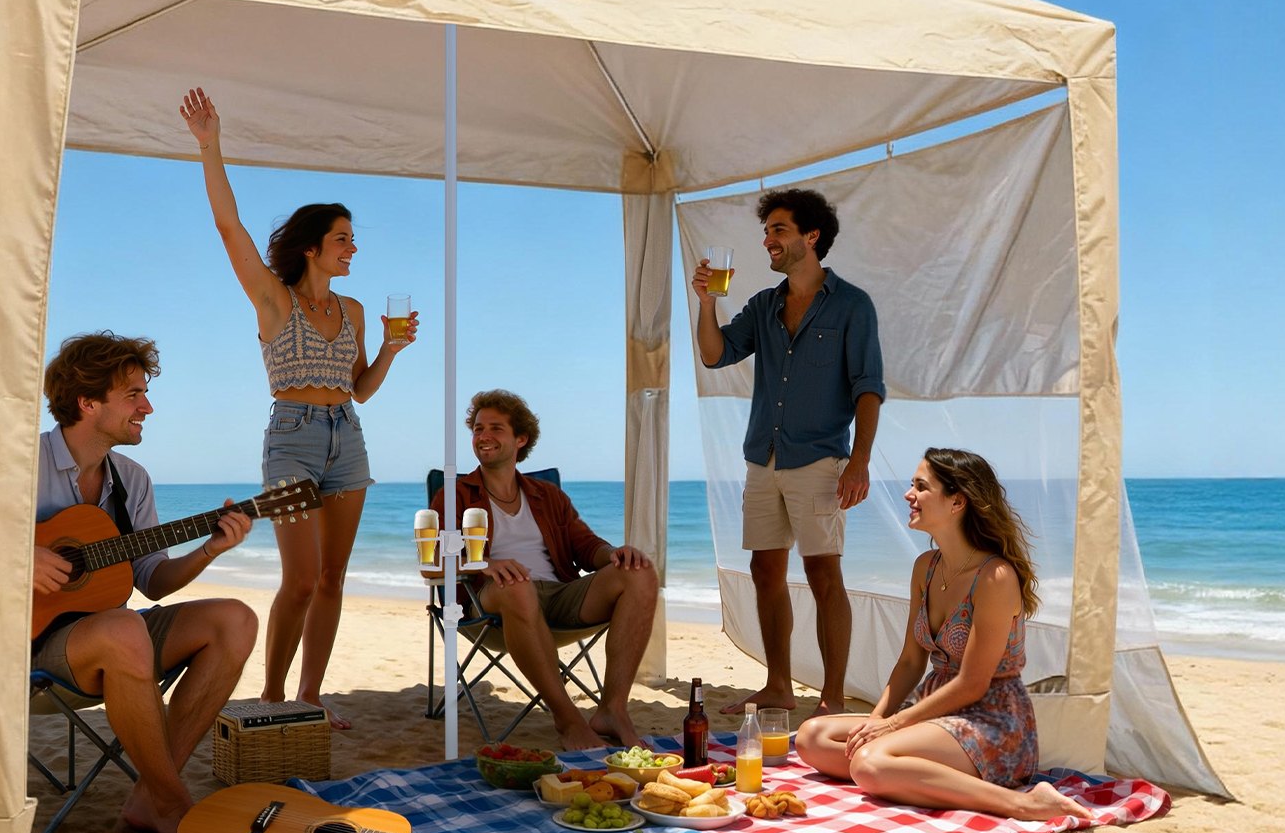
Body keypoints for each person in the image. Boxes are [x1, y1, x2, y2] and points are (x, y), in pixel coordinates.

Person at [0, 332, 259, 833]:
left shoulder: (132, 480)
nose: (148, 407)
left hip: (101, 640)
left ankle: (151, 795)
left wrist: (209, 549)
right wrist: (17, 556)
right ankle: (174, 803)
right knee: (125, 629)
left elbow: (152, 581)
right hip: (16, 646)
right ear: (87, 403)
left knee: (234, 619)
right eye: (133, 395)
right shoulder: (14, 460)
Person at [181, 85, 416, 731]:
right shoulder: (273, 299)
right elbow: (229, 227)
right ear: (313, 245)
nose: (353, 248)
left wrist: (391, 350)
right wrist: (211, 146)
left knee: (334, 580)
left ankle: (310, 696)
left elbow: (360, 388)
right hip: (292, 437)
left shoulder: (355, 311)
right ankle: (275, 693)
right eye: (343, 238)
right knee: (302, 581)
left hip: (348, 433)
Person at [795, 449, 1091, 822]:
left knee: (869, 764)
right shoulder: (926, 568)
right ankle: (908, 772)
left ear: (957, 502)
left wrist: (893, 727)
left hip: (991, 720)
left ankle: (1024, 804)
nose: (908, 494)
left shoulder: (995, 578)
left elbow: (973, 683)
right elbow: (909, 661)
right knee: (812, 738)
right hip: (934, 709)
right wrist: (876, 721)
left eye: (921, 486)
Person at [693, 186, 884, 717]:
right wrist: (708, 302)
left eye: (779, 229)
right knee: (764, 572)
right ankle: (778, 684)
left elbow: (869, 387)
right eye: (768, 230)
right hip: (763, 458)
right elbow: (715, 355)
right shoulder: (763, 306)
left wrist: (860, 461)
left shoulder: (852, 306)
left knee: (825, 576)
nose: (768, 239)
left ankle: (831, 696)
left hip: (821, 459)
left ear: (811, 236)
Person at [433, 390, 658, 751]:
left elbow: (585, 546)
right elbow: (436, 557)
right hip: (490, 602)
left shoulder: (547, 495)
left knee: (640, 571)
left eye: (495, 428)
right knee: (518, 584)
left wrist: (616, 553)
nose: (483, 436)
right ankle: (569, 721)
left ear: (520, 439)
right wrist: (486, 563)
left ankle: (613, 710)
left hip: (558, 595)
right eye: (477, 428)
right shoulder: (456, 493)